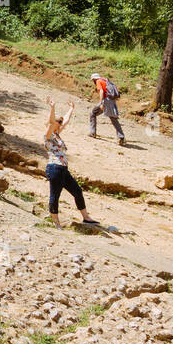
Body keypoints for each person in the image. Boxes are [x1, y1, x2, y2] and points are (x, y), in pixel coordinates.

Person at [44, 97, 99, 229]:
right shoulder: (48, 135)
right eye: (59, 121)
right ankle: (56, 222)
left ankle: (86, 217)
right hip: (54, 168)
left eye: (60, 121)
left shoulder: (57, 134)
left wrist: (71, 109)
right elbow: (51, 122)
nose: (60, 123)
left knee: (77, 191)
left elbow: (66, 121)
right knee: (55, 195)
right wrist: (52, 107)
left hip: (63, 169)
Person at [88, 72, 125, 145]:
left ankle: (92, 132)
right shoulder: (105, 80)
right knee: (113, 119)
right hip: (112, 101)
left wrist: (101, 103)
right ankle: (121, 137)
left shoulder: (98, 81)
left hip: (106, 100)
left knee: (93, 113)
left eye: (93, 80)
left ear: (94, 79)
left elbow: (101, 91)